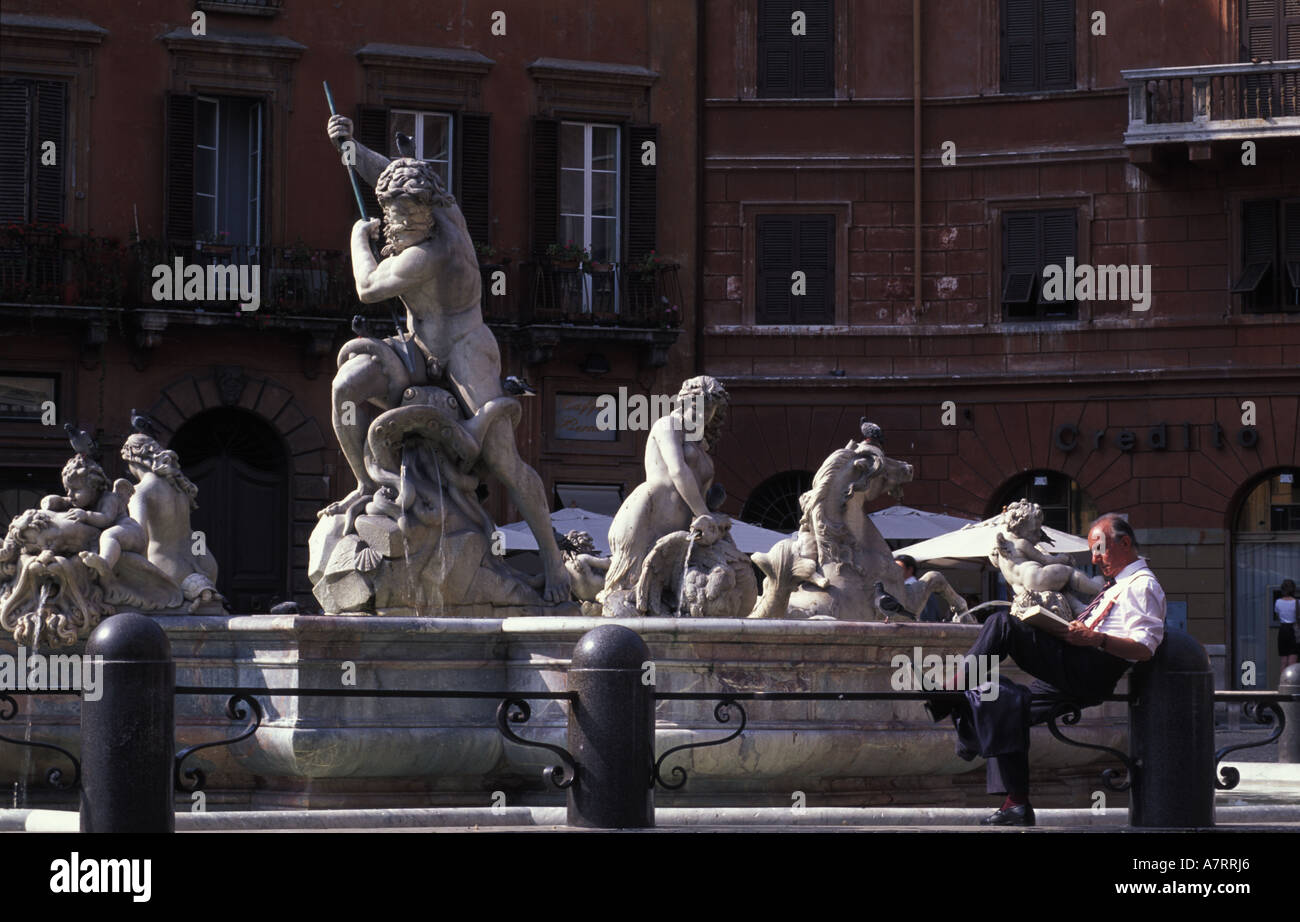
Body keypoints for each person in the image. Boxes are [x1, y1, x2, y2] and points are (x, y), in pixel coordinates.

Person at [325, 114, 569, 602]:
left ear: (430, 210)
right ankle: (362, 480)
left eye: (408, 216)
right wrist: (351, 149)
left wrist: (358, 237)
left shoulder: (430, 252)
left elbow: (369, 287)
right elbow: (392, 172)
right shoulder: (438, 202)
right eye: (394, 217)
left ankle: (552, 560)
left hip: (465, 348)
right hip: (416, 346)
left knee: (502, 456)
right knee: (345, 386)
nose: (400, 225)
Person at [928, 512, 1166, 826]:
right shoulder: (1117, 586)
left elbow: (1145, 648)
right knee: (996, 698)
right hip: (1083, 667)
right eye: (1093, 550)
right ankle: (1016, 804)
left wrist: (1096, 637)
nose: (1095, 559)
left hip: (1093, 668)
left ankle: (949, 693)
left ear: (1124, 543)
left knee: (1003, 624)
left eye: (1100, 549)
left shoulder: (1142, 585)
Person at [895, 554, 948, 622]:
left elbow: (930, 616)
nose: (895, 571)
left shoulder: (922, 590)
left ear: (910, 569)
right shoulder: (899, 589)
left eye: (898, 568)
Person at [1277, 579, 1298, 670]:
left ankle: (1283, 683)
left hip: (1282, 630)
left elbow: (1278, 615)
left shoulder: (1278, 602)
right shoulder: (1297, 602)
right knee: (1292, 663)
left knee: (1283, 662)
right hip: (1293, 630)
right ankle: (1291, 683)